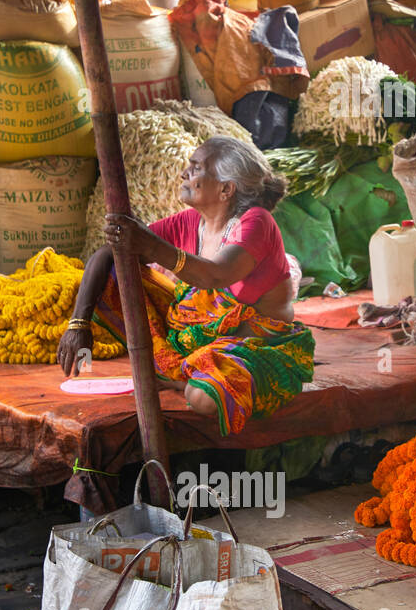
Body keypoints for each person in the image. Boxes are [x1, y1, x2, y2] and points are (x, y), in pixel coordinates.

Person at [60, 136, 314, 436]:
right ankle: (186, 368)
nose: (184, 174)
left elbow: (216, 275)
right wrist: (79, 324)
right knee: (115, 269)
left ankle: (179, 379)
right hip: (198, 339)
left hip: (253, 346)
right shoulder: (190, 222)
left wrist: (152, 247)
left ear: (226, 188)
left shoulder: (256, 222)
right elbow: (108, 254)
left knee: (203, 397)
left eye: (195, 168)